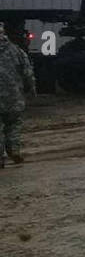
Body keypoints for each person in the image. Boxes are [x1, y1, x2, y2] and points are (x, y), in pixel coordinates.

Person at [0, 22, 36, 168]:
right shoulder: (17, 51)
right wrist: (32, 89)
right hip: (13, 97)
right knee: (13, 124)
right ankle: (14, 150)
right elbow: (27, 73)